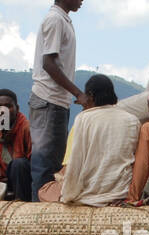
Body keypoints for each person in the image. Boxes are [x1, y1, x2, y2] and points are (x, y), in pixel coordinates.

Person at [30, 0, 87, 200]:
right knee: (44, 163)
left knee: (53, 162)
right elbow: (49, 63)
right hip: (48, 99)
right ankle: (37, 212)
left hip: (56, 100)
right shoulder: (54, 20)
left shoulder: (63, 19)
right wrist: (78, 93)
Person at [56, 75, 140, 207]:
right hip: (121, 193)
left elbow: (75, 163)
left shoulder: (83, 118)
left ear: (90, 95)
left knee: (45, 190)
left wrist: (67, 195)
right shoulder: (132, 120)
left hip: (89, 195)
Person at [0, 89, 32, 201]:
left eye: (8, 106)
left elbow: (34, 163)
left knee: (19, 164)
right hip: (2, 182)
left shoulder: (27, 128)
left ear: (17, 108)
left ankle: (21, 202)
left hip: (25, 181)